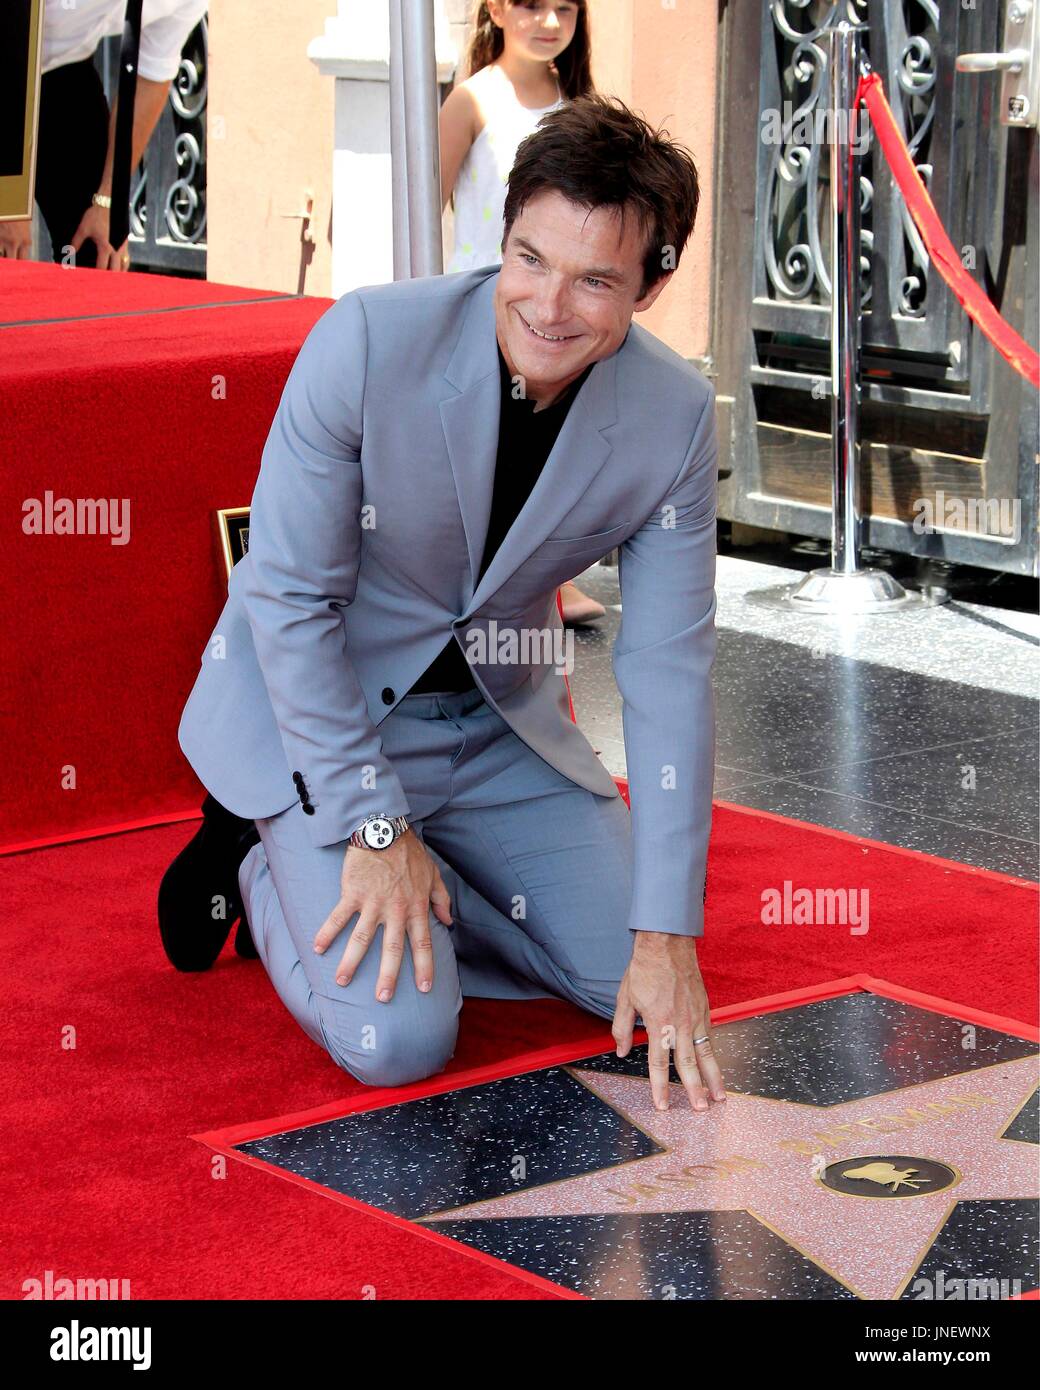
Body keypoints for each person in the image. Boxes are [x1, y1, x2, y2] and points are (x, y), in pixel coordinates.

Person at [162, 94, 725, 1116]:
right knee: (397, 1036)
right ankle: (258, 856)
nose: (548, 306)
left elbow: (666, 671)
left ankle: (423, 875)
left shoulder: (674, 419)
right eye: (529, 258)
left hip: (495, 732)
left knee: (627, 990)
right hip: (324, 714)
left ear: (651, 284)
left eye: (595, 279)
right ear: (498, 237)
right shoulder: (370, 340)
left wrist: (665, 930)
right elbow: (288, 601)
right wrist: (373, 825)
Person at [440, 0, 604, 625]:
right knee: (493, 448)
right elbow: (426, 203)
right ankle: (494, 593)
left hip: (562, 308)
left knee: (553, 444)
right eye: (533, 5)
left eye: (564, 8)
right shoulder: (472, 102)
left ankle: (546, 587)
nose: (549, 22)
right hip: (487, 304)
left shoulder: (582, 109)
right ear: (496, 9)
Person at [0, 0, 207, 270]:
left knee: (95, 249)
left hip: (61, 69)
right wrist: (9, 196)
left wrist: (109, 201)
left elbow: (152, 75)